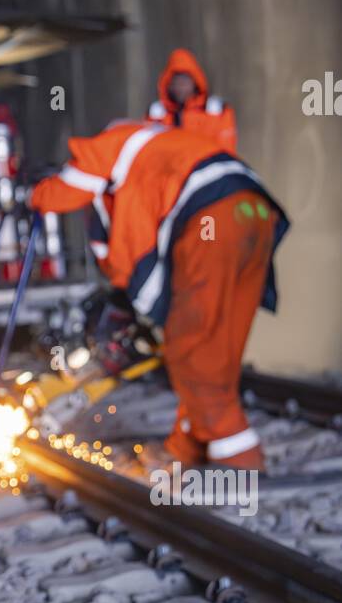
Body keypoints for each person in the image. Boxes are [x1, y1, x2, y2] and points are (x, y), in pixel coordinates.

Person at [31, 119, 288, 471]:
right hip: (255, 213)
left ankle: (239, 460)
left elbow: (63, 191)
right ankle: (188, 445)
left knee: (189, 349)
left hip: (213, 220)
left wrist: (34, 193)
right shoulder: (161, 147)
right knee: (219, 349)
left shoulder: (114, 145)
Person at [147, 47, 237, 151]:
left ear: (195, 82)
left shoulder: (218, 110)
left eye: (185, 82)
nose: (180, 87)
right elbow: (150, 151)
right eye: (176, 82)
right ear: (169, 84)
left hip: (208, 165)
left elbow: (227, 150)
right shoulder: (156, 112)